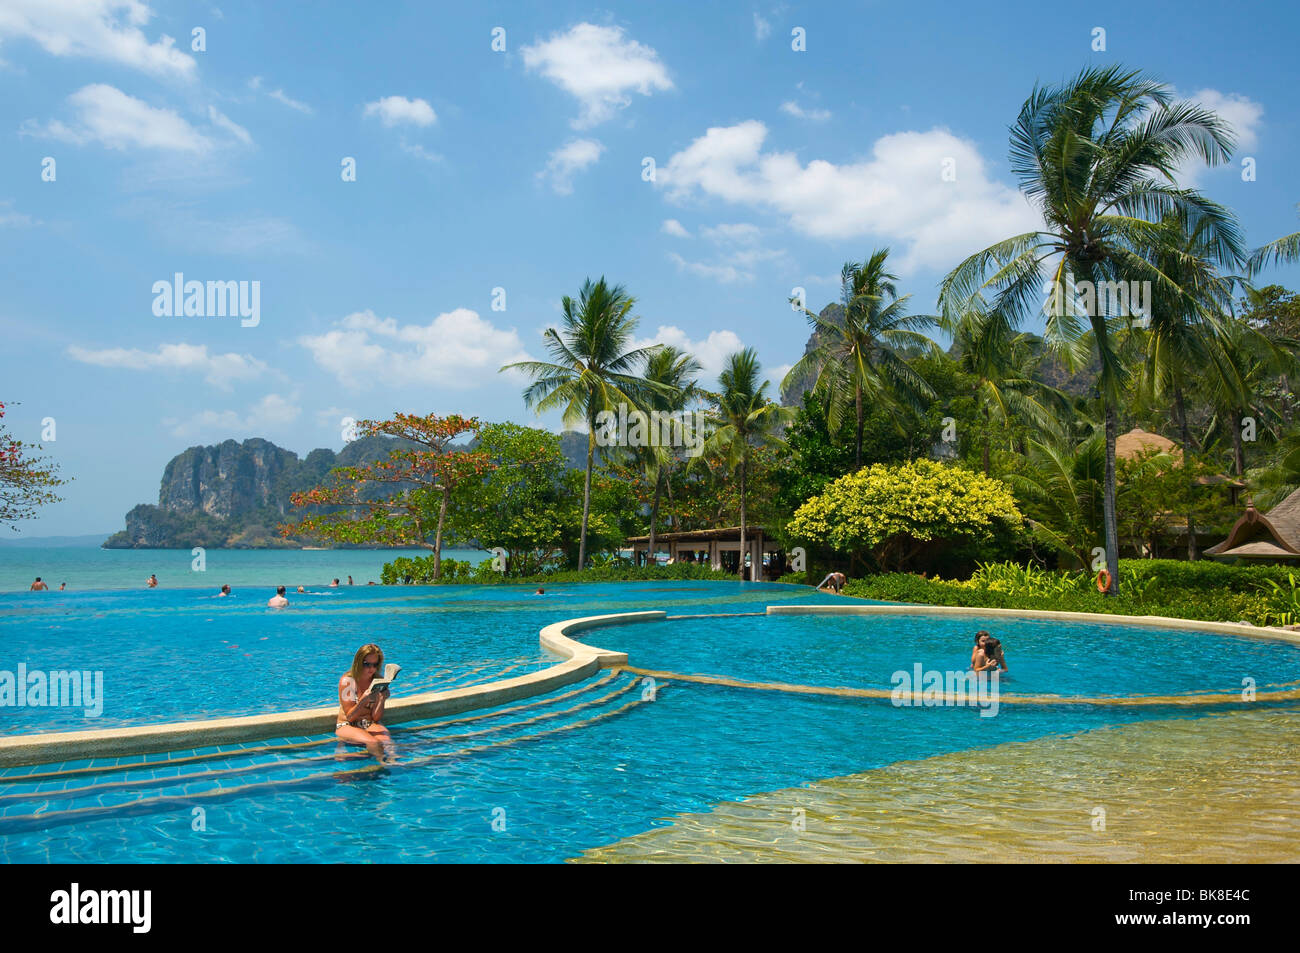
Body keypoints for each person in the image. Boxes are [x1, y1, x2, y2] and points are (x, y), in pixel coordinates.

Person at [336, 643, 395, 762]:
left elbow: (375, 717)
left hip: (368, 723)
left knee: (386, 740)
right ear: (358, 662)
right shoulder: (348, 681)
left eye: (375, 664)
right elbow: (350, 717)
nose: (371, 669)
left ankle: (394, 762)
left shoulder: (376, 680)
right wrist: (363, 700)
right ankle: (381, 765)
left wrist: (381, 699)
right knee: (372, 741)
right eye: (367, 664)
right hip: (347, 725)